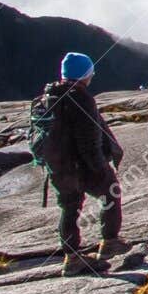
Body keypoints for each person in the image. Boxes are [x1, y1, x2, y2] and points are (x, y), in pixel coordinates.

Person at [44, 52, 126, 274]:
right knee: (111, 192)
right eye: (90, 73)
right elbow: (89, 142)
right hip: (81, 166)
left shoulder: (48, 97)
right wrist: (101, 169)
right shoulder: (82, 100)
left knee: (69, 208)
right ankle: (109, 244)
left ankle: (71, 259)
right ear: (85, 75)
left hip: (58, 167)